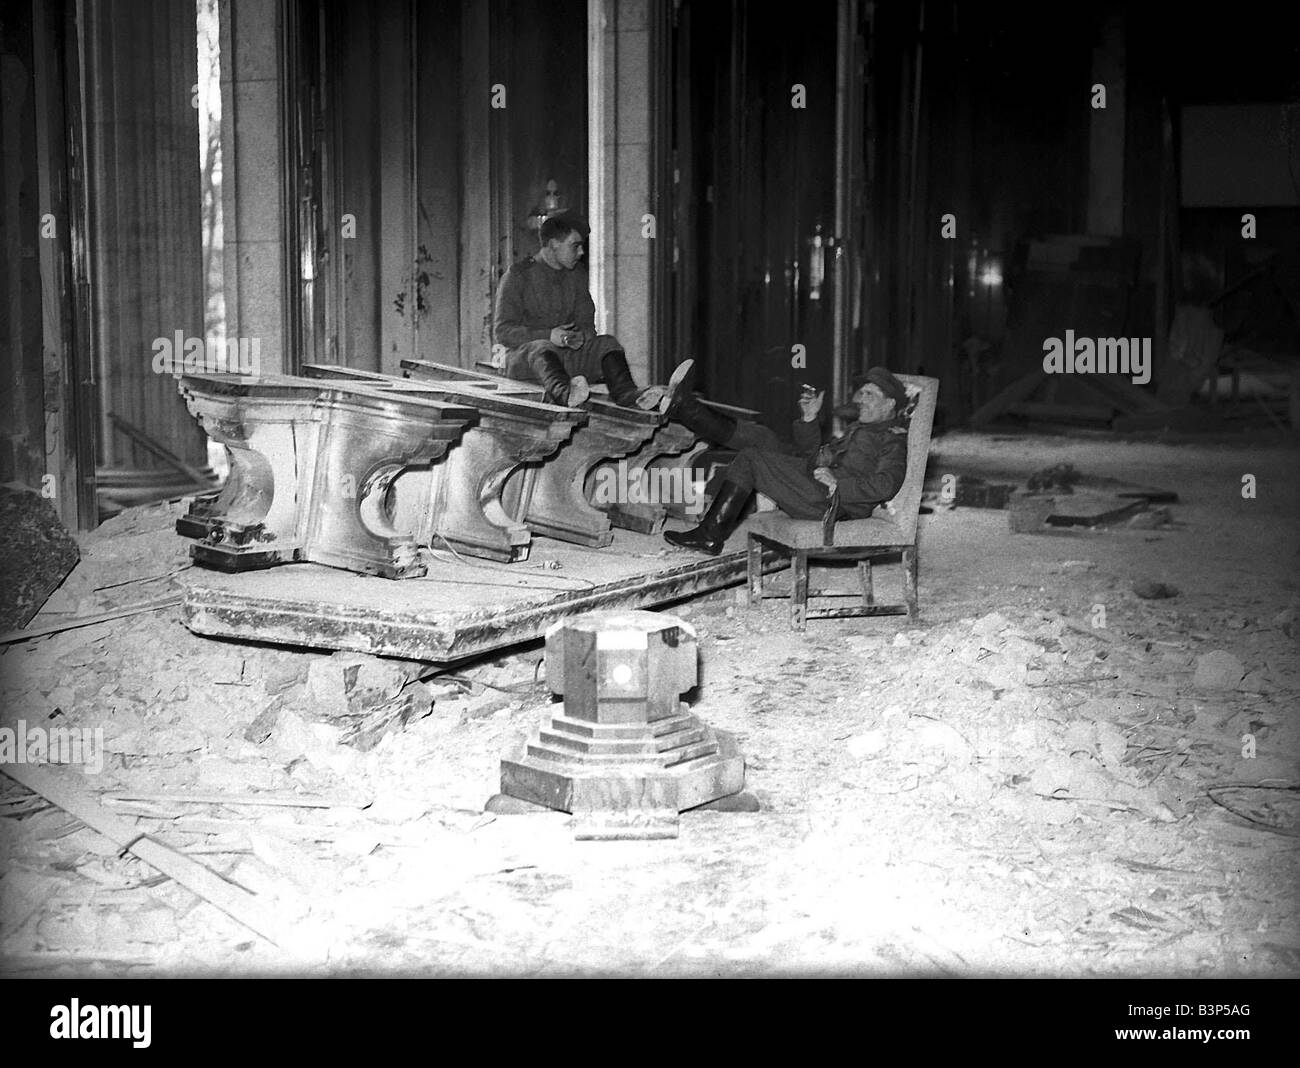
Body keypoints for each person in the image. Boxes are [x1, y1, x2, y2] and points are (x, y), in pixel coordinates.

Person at [660, 366, 912, 556]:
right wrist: (810, 419)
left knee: (751, 459)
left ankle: (709, 535)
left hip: (835, 504)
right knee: (762, 436)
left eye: (870, 395)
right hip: (815, 486)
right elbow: (810, 456)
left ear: (890, 404)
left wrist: (838, 485)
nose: (860, 399)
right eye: (862, 393)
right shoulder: (860, 428)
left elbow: (887, 484)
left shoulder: (892, 439)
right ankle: (684, 408)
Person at [493, 212, 686, 409]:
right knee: (542, 346)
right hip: (529, 363)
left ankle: (628, 395)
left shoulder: (576, 275)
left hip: (566, 358)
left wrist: (581, 337)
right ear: (553, 245)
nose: (581, 252)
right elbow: (502, 332)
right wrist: (550, 336)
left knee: (608, 343)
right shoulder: (518, 276)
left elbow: (586, 322)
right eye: (575, 246)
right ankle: (566, 394)